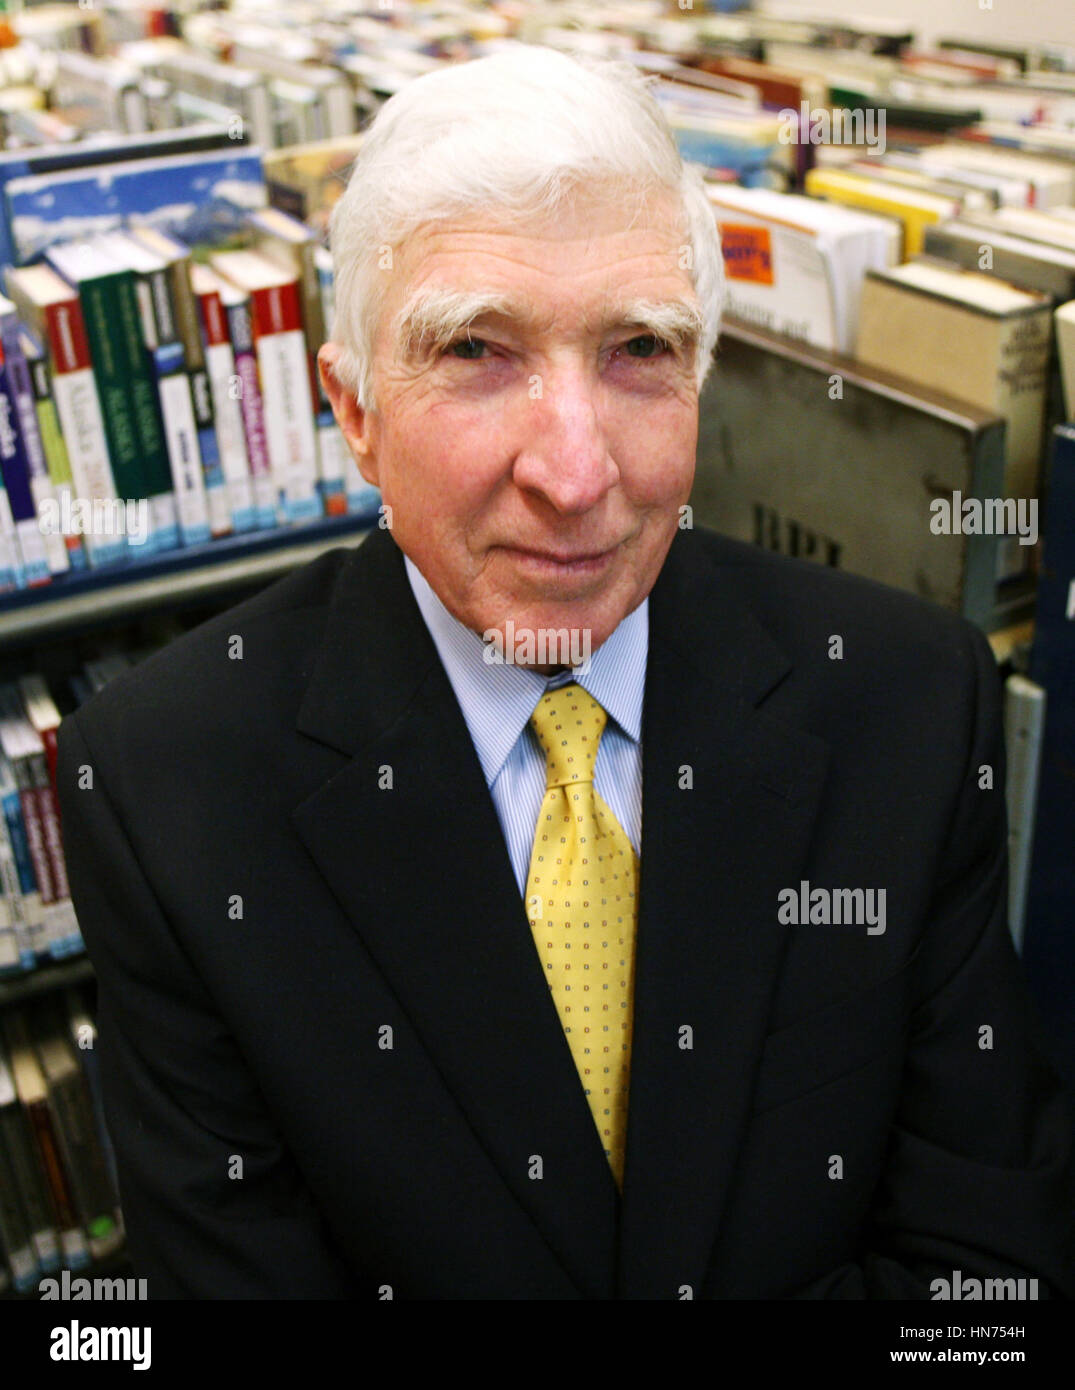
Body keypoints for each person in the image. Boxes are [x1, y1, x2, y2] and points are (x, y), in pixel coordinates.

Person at [57, 46, 1074, 1300]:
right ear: (354, 409)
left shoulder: (908, 702)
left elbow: (987, 1279)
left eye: (638, 349)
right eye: (478, 350)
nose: (577, 472)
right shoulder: (166, 785)